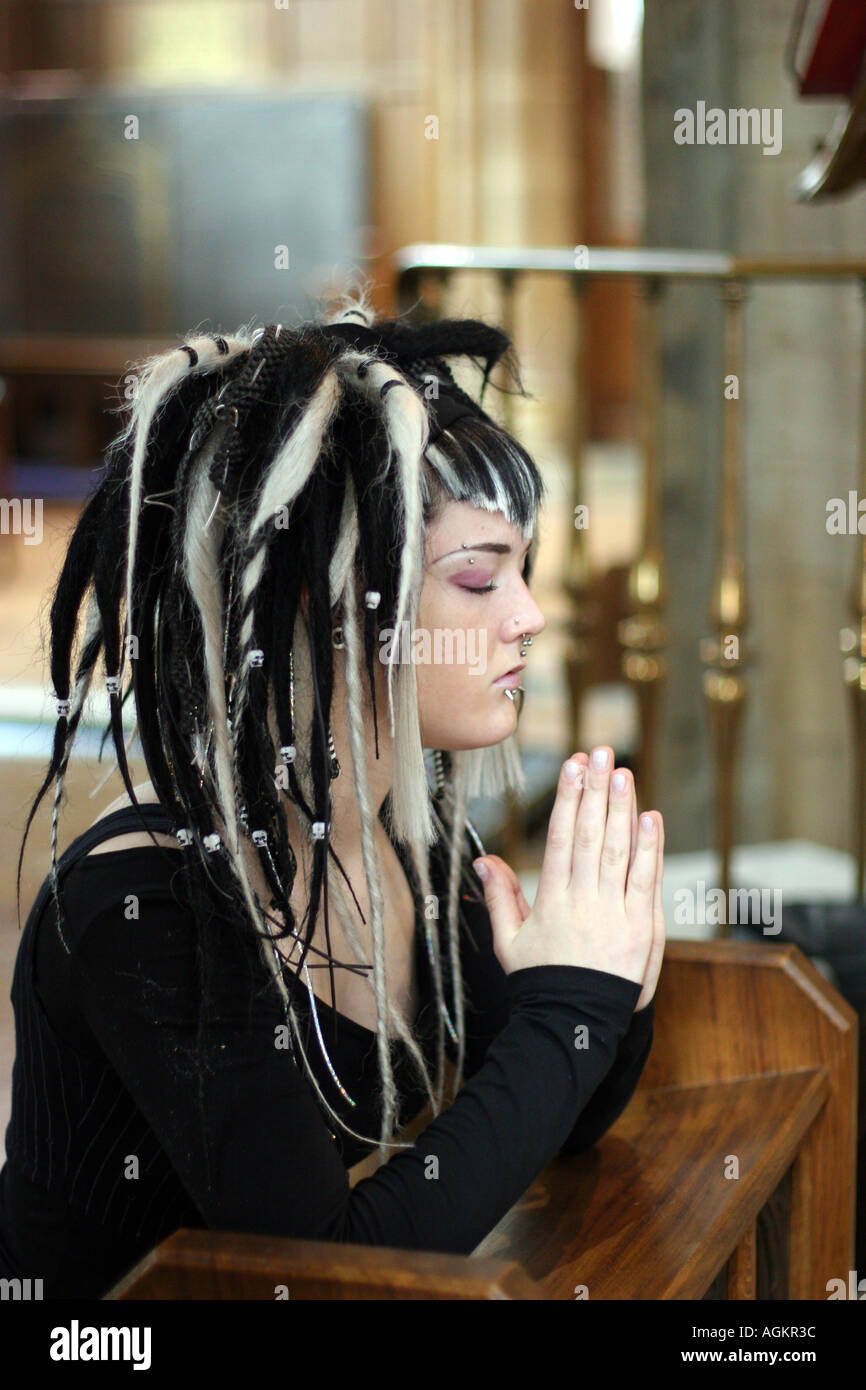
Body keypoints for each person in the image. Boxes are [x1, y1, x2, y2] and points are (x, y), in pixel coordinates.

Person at [0, 289, 665, 1299]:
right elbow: (322, 1263)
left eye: (523, 572)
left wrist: (607, 984)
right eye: (481, 581)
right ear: (334, 605)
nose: (529, 616)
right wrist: (567, 1010)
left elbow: (558, 1118)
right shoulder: (146, 907)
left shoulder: (408, 837)